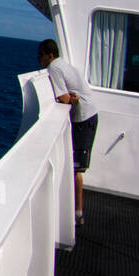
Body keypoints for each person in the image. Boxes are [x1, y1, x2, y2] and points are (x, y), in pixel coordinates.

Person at [38, 39, 98, 225]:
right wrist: (72, 98)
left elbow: (64, 98)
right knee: (74, 166)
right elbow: (70, 96)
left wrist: (70, 99)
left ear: (49, 55)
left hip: (84, 119)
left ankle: (78, 214)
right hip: (88, 116)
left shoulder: (54, 68)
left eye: (40, 55)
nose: (39, 59)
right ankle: (73, 210)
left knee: (76, 169)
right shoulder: (64, 64)